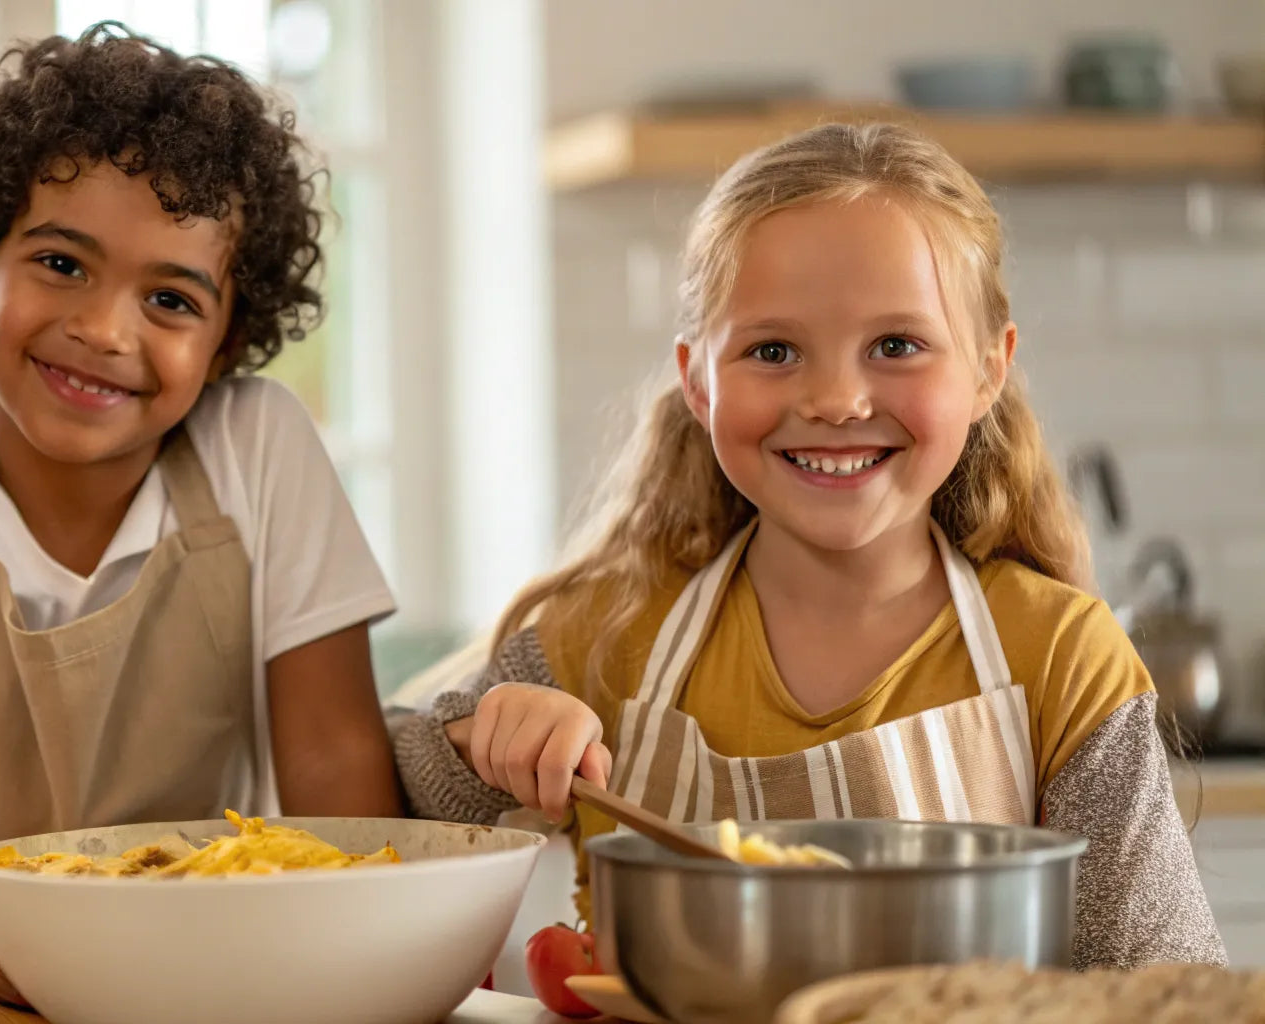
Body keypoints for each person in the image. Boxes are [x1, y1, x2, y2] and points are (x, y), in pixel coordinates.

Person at [391, 121, 1224, 970]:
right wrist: (485, 740)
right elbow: (391, 793)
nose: (834, 399)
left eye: (895, 346)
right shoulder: (603, 635)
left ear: (987, 370)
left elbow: (1163, 984)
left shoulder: (1060, 657)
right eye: (774, 350)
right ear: (698, 382)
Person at [0, 24, 401, 1000]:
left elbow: (338, 780)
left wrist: (380, 954)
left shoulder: (259, 452)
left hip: (217, 988)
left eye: (170, 299)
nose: (104, 330)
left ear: (228, 338)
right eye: (62, 265)